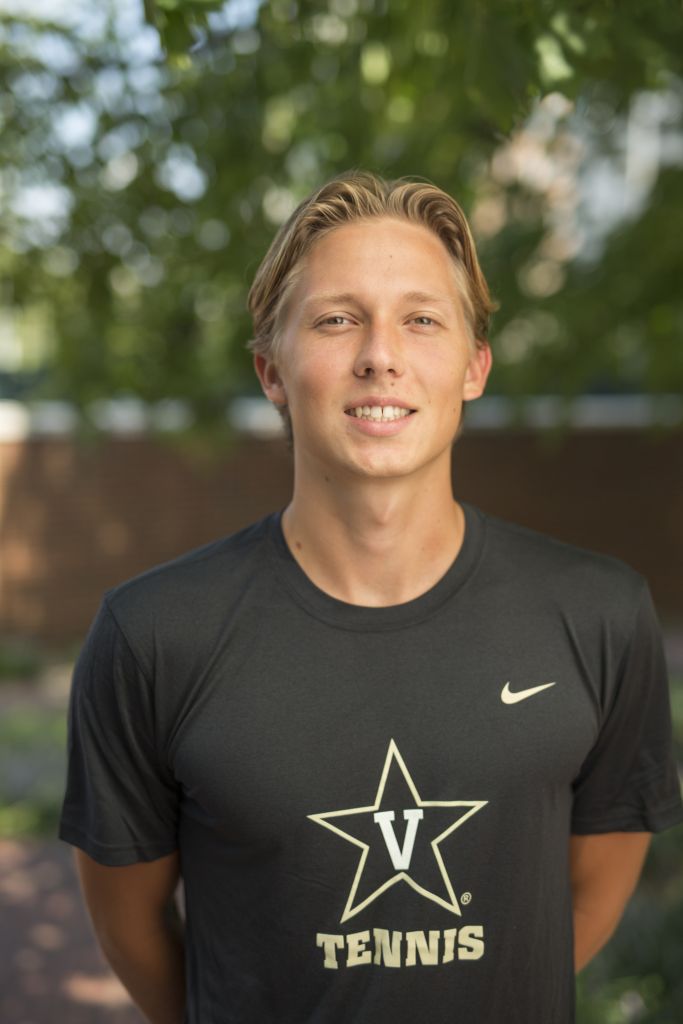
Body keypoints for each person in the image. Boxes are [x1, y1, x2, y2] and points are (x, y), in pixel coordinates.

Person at [60, 171, 683, 1024]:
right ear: (271, 372)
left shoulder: (600, 615)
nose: (379, 355)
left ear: (473, 366)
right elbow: (129, 925)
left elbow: (589, 892)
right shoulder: (152, 636)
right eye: (336, 320)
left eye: (421, 320)